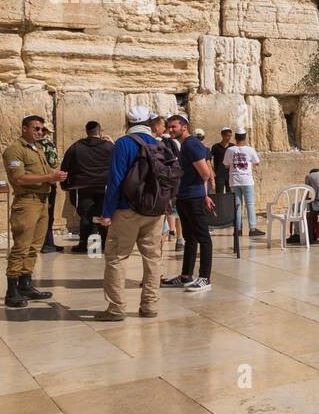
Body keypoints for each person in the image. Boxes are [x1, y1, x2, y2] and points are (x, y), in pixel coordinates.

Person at [94, 107, 175, 321]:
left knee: (117, 258)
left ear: (128, 122)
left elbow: (115, 180)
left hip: (126, 210)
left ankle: (116, 308)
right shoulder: (159, 143)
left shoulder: (123, 143)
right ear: (149, 122)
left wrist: (107, 212)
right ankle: (149, 305)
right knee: (152, 258)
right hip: (154, 211)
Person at [1, 115, 67, 308]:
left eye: (41, 129)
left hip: (42, 201)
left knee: (34, 246)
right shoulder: (15, 150)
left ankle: (25, 284)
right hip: (27, 202)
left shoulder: (37, 148)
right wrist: (50, 176)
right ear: (24, 129)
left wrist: (57, 176)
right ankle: (11, 291)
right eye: (35, 129)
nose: (39, 132)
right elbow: (20, 178)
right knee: (21, 246)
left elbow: (47, 168)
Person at [161, 114, 214, 293]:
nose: (170, 130)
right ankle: (185, 276)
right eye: (169, 127)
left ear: (184, 127)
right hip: (185, 197)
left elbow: (205, 173)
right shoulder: (185, 145)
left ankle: (205, 278)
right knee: (190, 239)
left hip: (194, 197)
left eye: (174, 127)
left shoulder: (191, 144)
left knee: (203, 238)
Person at [60, 121, 113, 255]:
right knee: (103, 214)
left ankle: (83, 244)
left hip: (83, 188)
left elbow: (65, 167)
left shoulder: (76, 147)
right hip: (104, 187)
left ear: (86, 132)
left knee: (85, 216)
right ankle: (105, 243)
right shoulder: (109, 147)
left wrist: (65, 186)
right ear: (100, 132)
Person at [222, 130, 263, 236]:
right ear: (245, 137)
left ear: (235, 137)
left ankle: (238, 230)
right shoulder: (249, 149)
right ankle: (252, 229)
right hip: (247, 180)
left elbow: (226, 164)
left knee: (237, 205)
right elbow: (257, 162)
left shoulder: (230, 150)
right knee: (250, 204)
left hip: (234, 180)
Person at [38, 125, 64, 253]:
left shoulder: (26, 144)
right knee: (48, 215)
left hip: (33, 182)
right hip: (48, 182)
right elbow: (53, 162)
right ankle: (47, 243)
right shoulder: (47, 144)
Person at [210, 127, 234, 194]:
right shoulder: (215, 147)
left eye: (230, 136)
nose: (229, 138)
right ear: (222, 135)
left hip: (230, 174)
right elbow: (209, 159)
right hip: (219, 174)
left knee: (230, 194)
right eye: (227, 136)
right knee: (219, 194)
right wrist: (212, 171)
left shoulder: (232, 146)